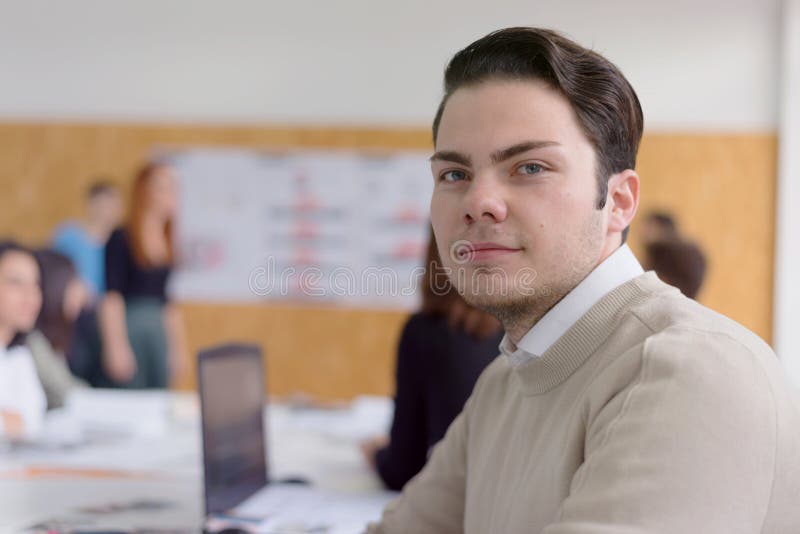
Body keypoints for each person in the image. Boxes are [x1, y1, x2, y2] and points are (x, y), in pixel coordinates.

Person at [368, 27, 800, 533]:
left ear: (618, 202)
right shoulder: (506, 381)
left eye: (529, 166)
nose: (477, 201)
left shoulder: (690, 371)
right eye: (454, 174)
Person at [360, 232, 502, 490]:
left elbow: (402, 470)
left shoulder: (424, 332)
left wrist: (376, 454)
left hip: (456, 504)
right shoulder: (525, 331)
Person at [98, 162, 186, 389]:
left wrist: (178, 349)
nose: (169, 194)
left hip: (158, 331)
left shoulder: (167, 243)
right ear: (144, 191)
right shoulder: (121, 238)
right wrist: (115, 345)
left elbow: (167, 302)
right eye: (161, 187)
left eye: (172, 187)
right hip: (131, 327)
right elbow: (111, 297)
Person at [28, 249, 89, 409]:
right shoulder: (31, 340)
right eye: (74, 282)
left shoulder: (57, 335)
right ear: (55, 287)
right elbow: (65, 392)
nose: (83, 291)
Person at [0, 241, 47, 441]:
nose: (30, 296)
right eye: (16, 283)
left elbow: (34, 420)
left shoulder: (20, 355)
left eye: (35, 284)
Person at [52, 180, 122, 303]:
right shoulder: (69, 235)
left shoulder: (120, 243)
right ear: (90, 204)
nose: (107, 211)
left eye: (113, 205)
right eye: (102, 205)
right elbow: (54, 270)